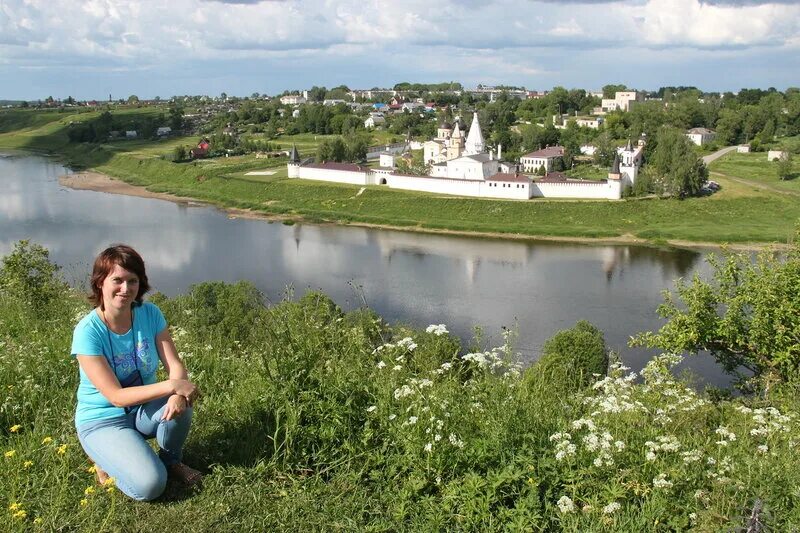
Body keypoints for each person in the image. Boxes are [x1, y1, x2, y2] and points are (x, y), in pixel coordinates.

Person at [71, 244, 201, 501]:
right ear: (100, 282)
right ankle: (102, 457)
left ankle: (172, 461)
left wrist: (177, 393)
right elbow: (116, 397)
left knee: (182, 403)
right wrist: (172, 386)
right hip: (102, 420)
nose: (125, 288)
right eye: (117, 280)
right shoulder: (88, 332)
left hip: (141, 411)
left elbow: (175, 365)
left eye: (133, 281)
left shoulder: (150, 314)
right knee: (150, 486)